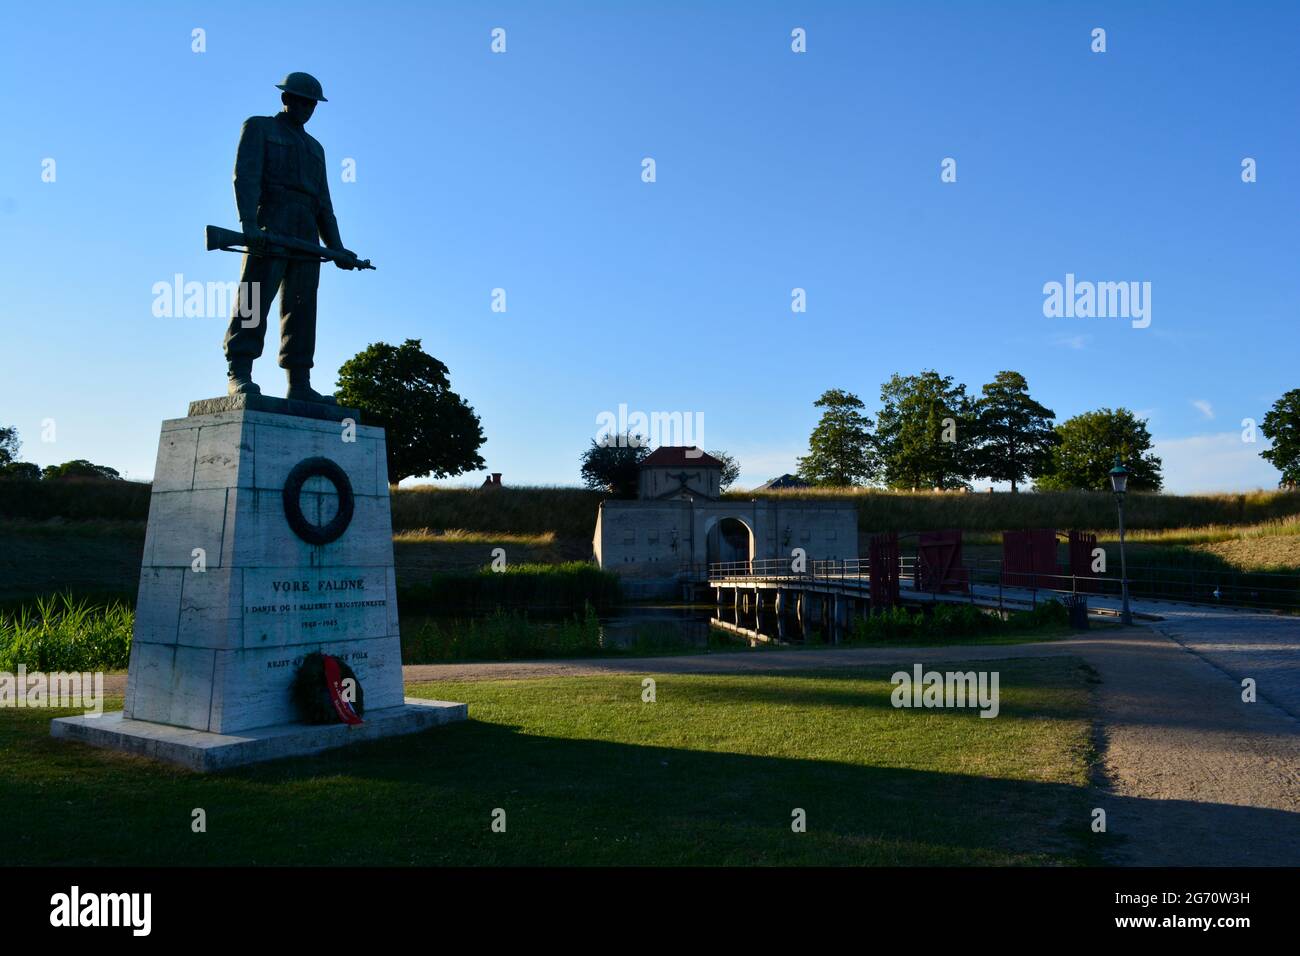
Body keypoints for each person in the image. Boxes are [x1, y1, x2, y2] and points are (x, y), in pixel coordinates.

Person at [222, 71, 356, 403]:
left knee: (302, 308)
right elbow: (246, 177)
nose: (307, 108)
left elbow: (324, 202)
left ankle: (299, 382)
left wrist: (336, 247)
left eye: (312, 104)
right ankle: (239, 371)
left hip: (306, 231)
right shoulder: (259, 127)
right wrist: (249, 223)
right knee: (253, 298)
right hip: (271, 221)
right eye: (301, 101)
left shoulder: (316, 148)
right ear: (286, 99)